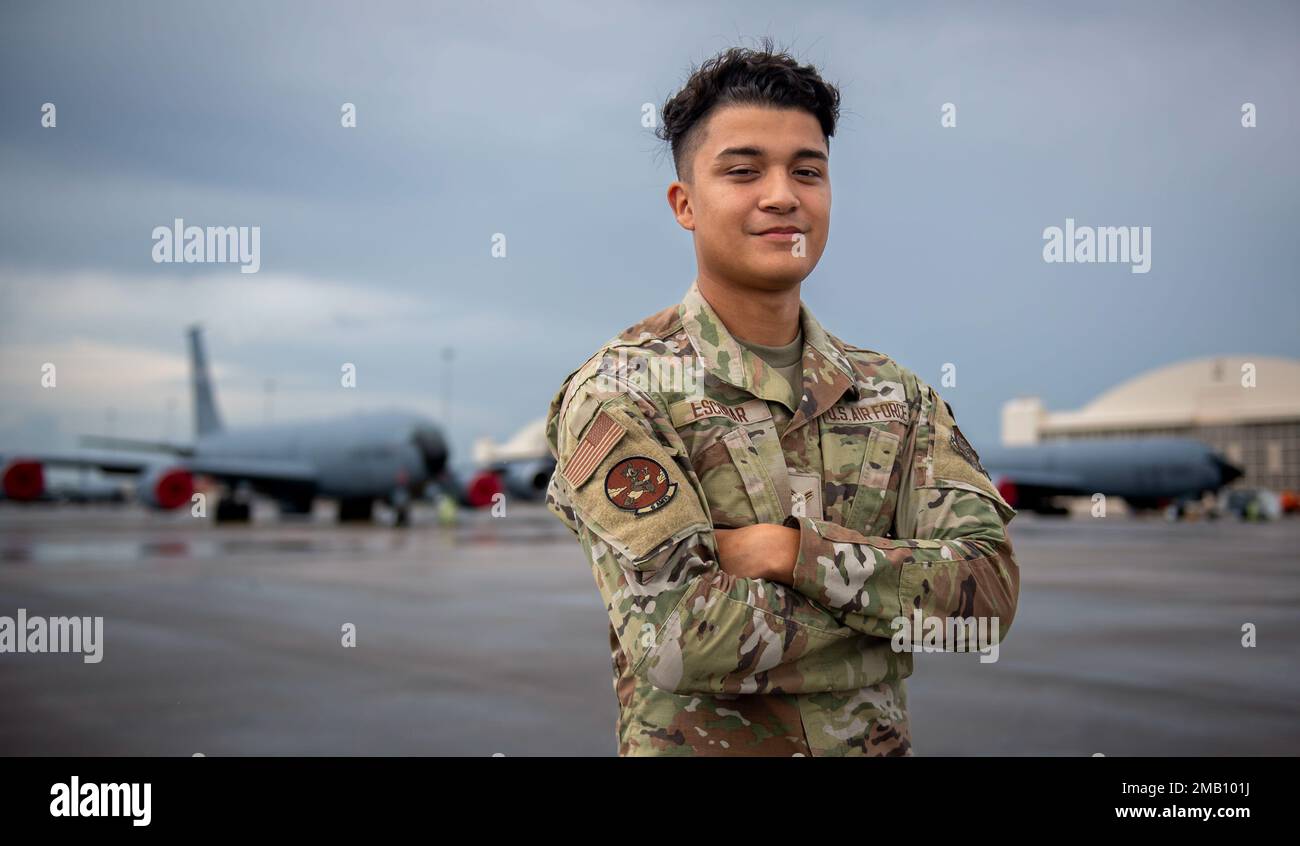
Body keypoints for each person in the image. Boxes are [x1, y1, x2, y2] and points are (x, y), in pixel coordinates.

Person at [544, 39, 1020, 756]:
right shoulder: (625, 393)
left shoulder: (895, 395)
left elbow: (985, 602)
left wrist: (787, 552)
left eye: (808, 171)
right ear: (685, 203)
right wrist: (890, 627)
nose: (782, 195)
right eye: (743, 171)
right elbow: (681, 638)